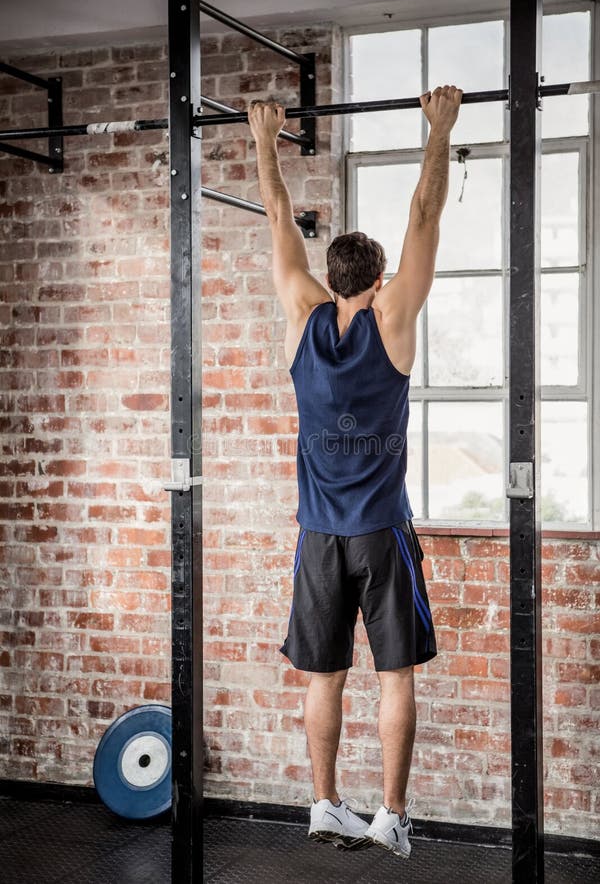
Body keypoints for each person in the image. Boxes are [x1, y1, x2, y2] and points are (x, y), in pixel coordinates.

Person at [247, 84, 463, 860]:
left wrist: (266, 142)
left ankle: (324, 802)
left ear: (329, 278)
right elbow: (425, 216)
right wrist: (438, 131)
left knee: (323, 678)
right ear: (375, 282)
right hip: (380, 533)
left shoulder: (302, 317)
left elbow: (277, 219)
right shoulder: (393, 321)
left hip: (318, 539)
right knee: (395, 675)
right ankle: (391, 814)